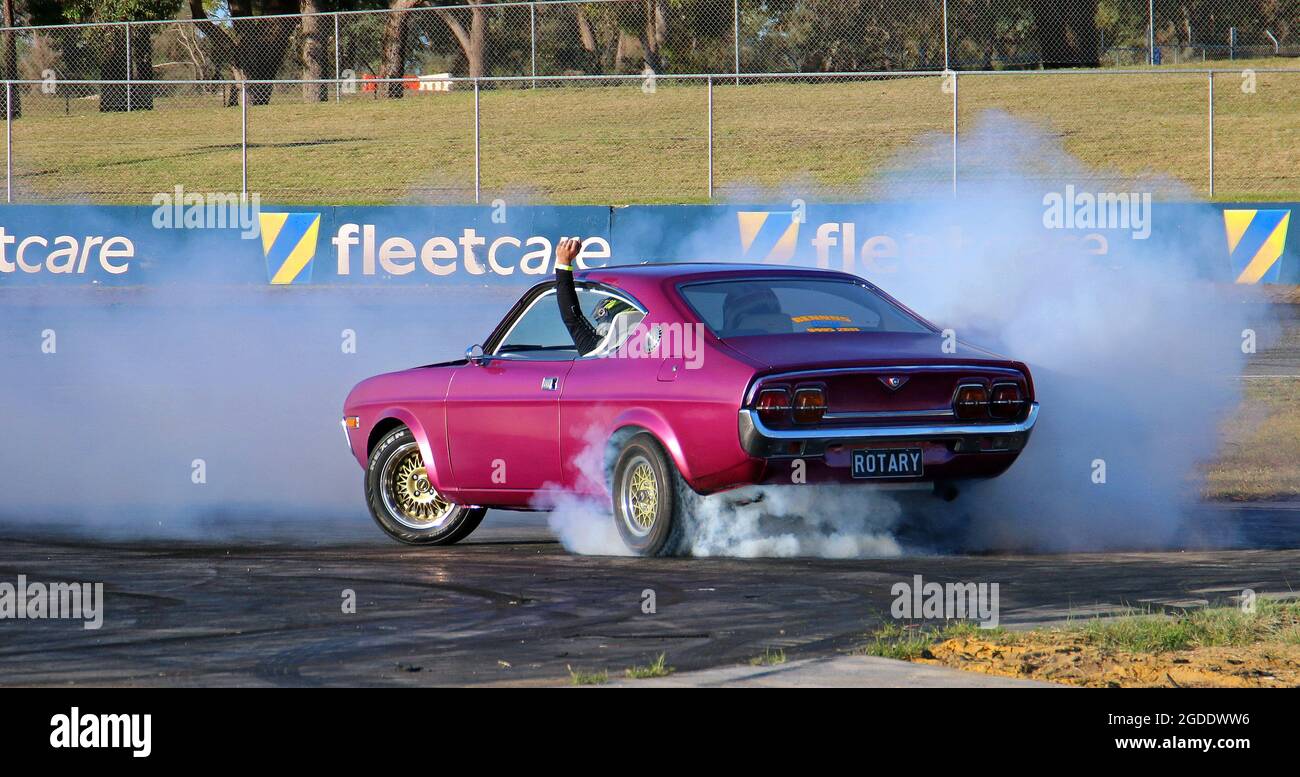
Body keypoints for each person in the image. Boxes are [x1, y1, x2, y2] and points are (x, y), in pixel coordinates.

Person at [554, 237, 636, 355]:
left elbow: (571, 316)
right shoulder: (661, 339)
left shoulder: (598, 350)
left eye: (602, 323)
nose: (599, 329)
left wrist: (563, 263)